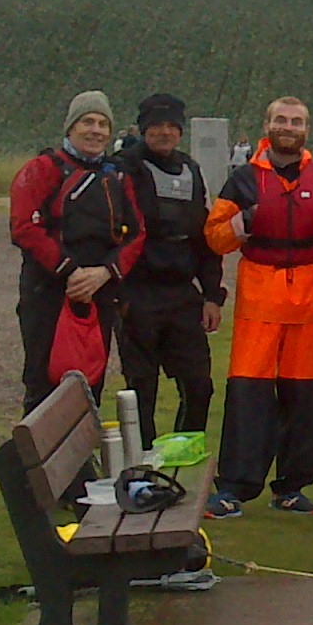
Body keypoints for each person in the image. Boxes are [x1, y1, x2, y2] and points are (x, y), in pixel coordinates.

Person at [202, 96, 313, 518]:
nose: (288, 127)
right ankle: (234, 487)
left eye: (297, 121)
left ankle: (292, 486)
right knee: (248, 395)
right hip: (260, 301)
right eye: (281, 120)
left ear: (307, 129)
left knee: (303, 398)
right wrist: (243, 222)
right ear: (267, 125)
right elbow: (214, 237)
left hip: (308, 300)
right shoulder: (244, 180)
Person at [9, 91, 145, 411]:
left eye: (102, 124)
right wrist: (70, 271)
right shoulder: (44, 169)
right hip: (49, 294)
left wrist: (105, 273)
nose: (95, 131)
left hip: (99, 292)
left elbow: (137, 233)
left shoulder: (117, 176)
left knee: (89, 383)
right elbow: (24, 228)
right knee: (45, 383)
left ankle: (82, 459)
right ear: (70, 128)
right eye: (87, 122)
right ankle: (39, 459)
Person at [115, 93, 224, 445]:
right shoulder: (123, 168)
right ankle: (143, 467)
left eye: (171, 126)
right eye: (156, 126)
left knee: (198, 386)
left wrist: (211, 295)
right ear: (143, 129)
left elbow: (204, 239)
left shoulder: (190, 169)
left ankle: (181, 457)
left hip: (181, 295)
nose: (164, 133)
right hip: (137, 294)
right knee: (141, 390)